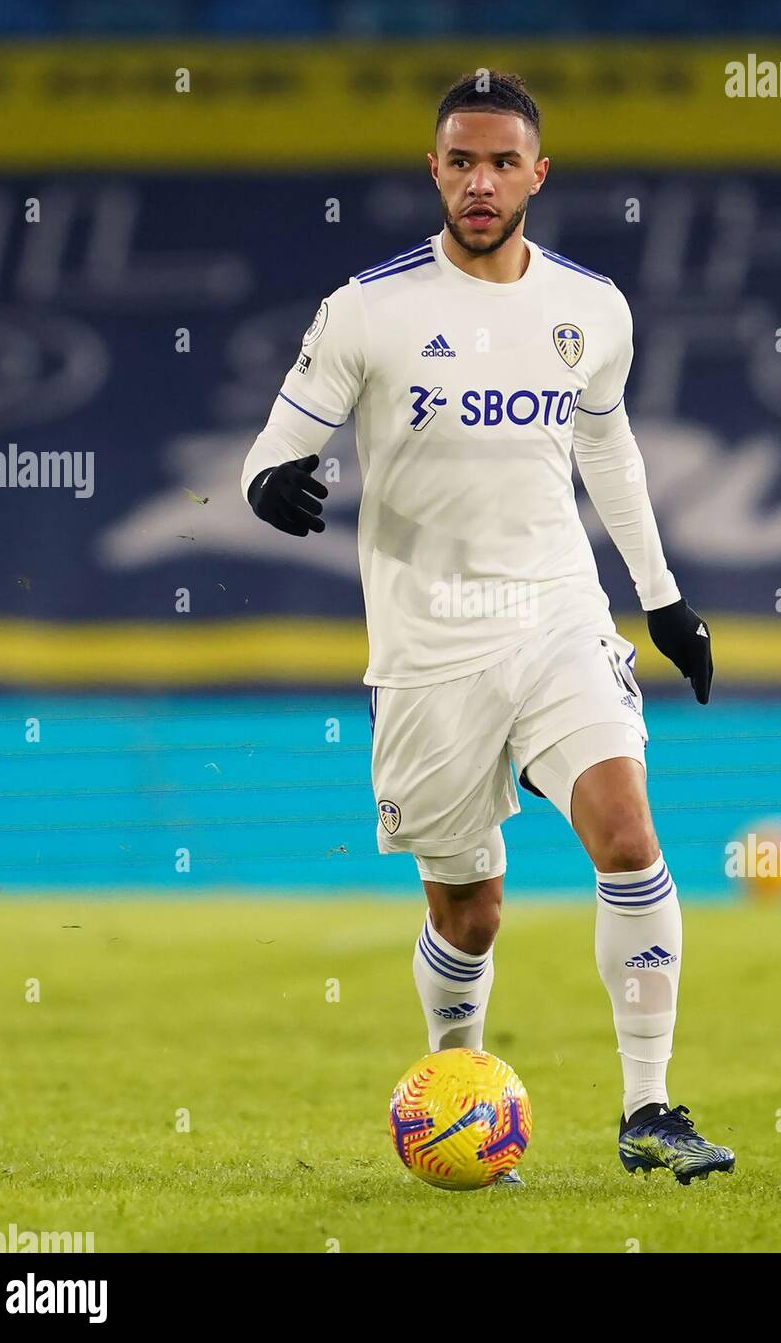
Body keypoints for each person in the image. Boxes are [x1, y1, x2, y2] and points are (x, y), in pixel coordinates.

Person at [242, 69, 734, 1186]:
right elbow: (271, 450)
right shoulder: (367, 308)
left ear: (536, 175)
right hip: (426, 648)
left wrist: (660, 598)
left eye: (501, 161)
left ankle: (649, 1107)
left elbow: (607, 451)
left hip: (556, 615)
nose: (479, 180)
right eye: (460, 160)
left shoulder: (589, 309)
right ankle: (454, 1087)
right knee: (469, 913)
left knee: (626, 834)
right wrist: (274, 486)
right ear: (433, 169)